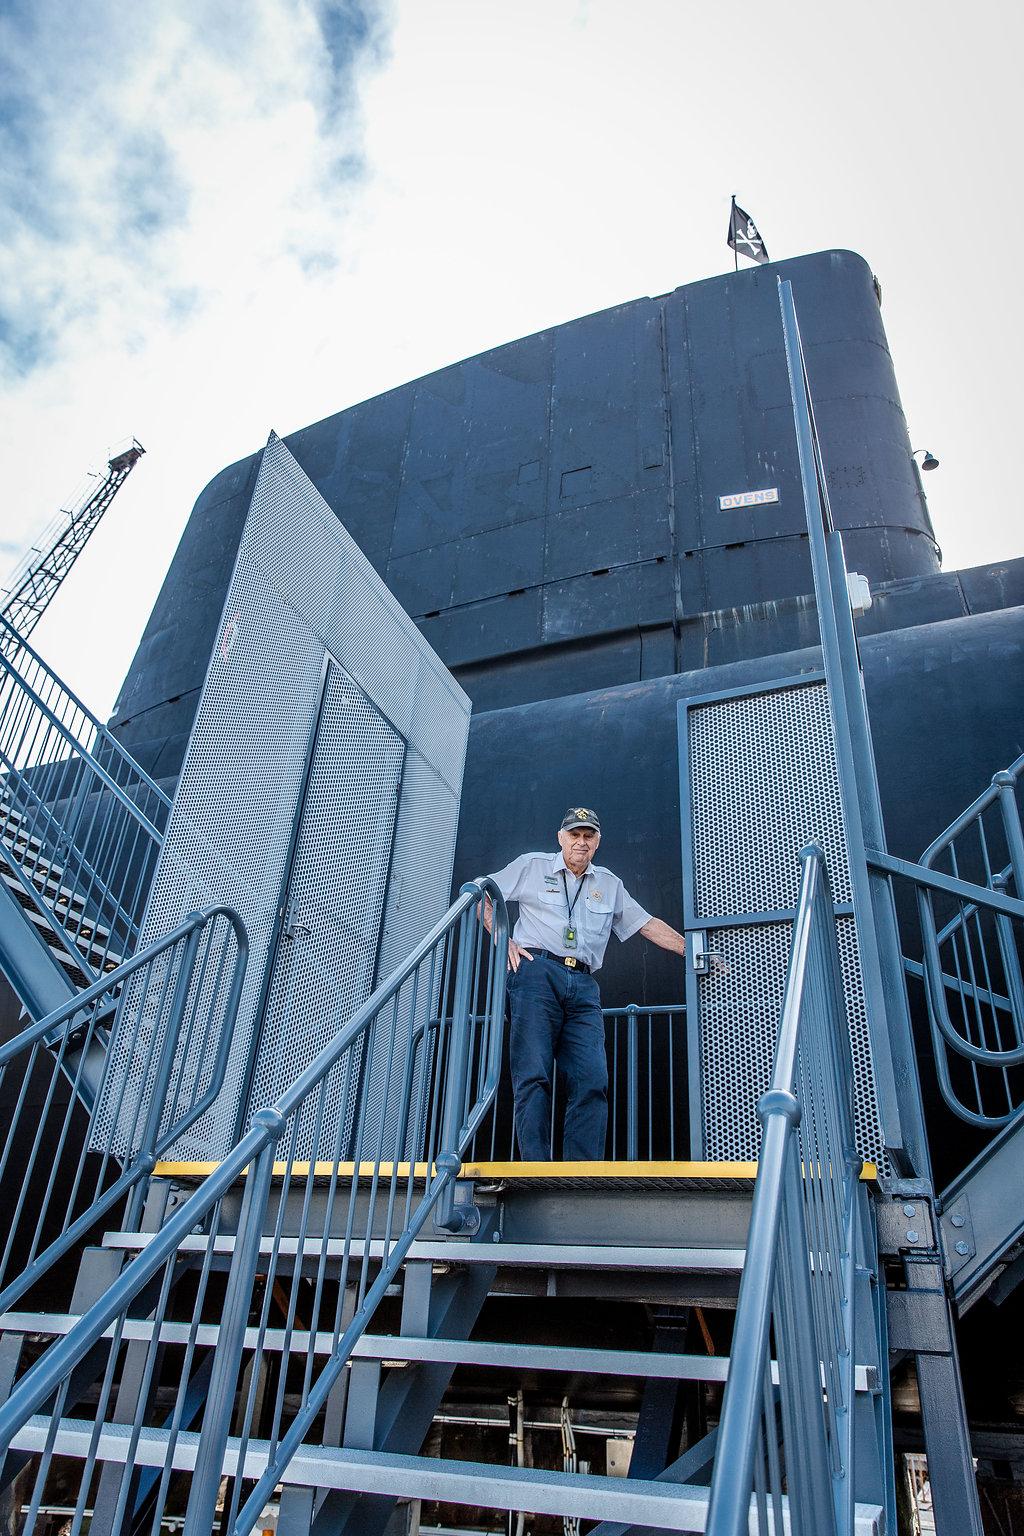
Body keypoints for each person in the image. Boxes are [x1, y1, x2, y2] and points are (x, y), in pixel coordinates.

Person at [484, 807, 687, 1161]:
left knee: (592, 1078)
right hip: (537, 973)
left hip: (583, 983)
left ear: (597, 842)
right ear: (560, 838)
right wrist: (504, 940)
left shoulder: (608, 883)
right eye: (574, 835)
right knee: (533, 1073)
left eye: (588, 836)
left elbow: (645, 923)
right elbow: (482, 894)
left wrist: (690, 949)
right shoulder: (532, 866)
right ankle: (535, 1168)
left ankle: (580, 1171)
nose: (581, 842)